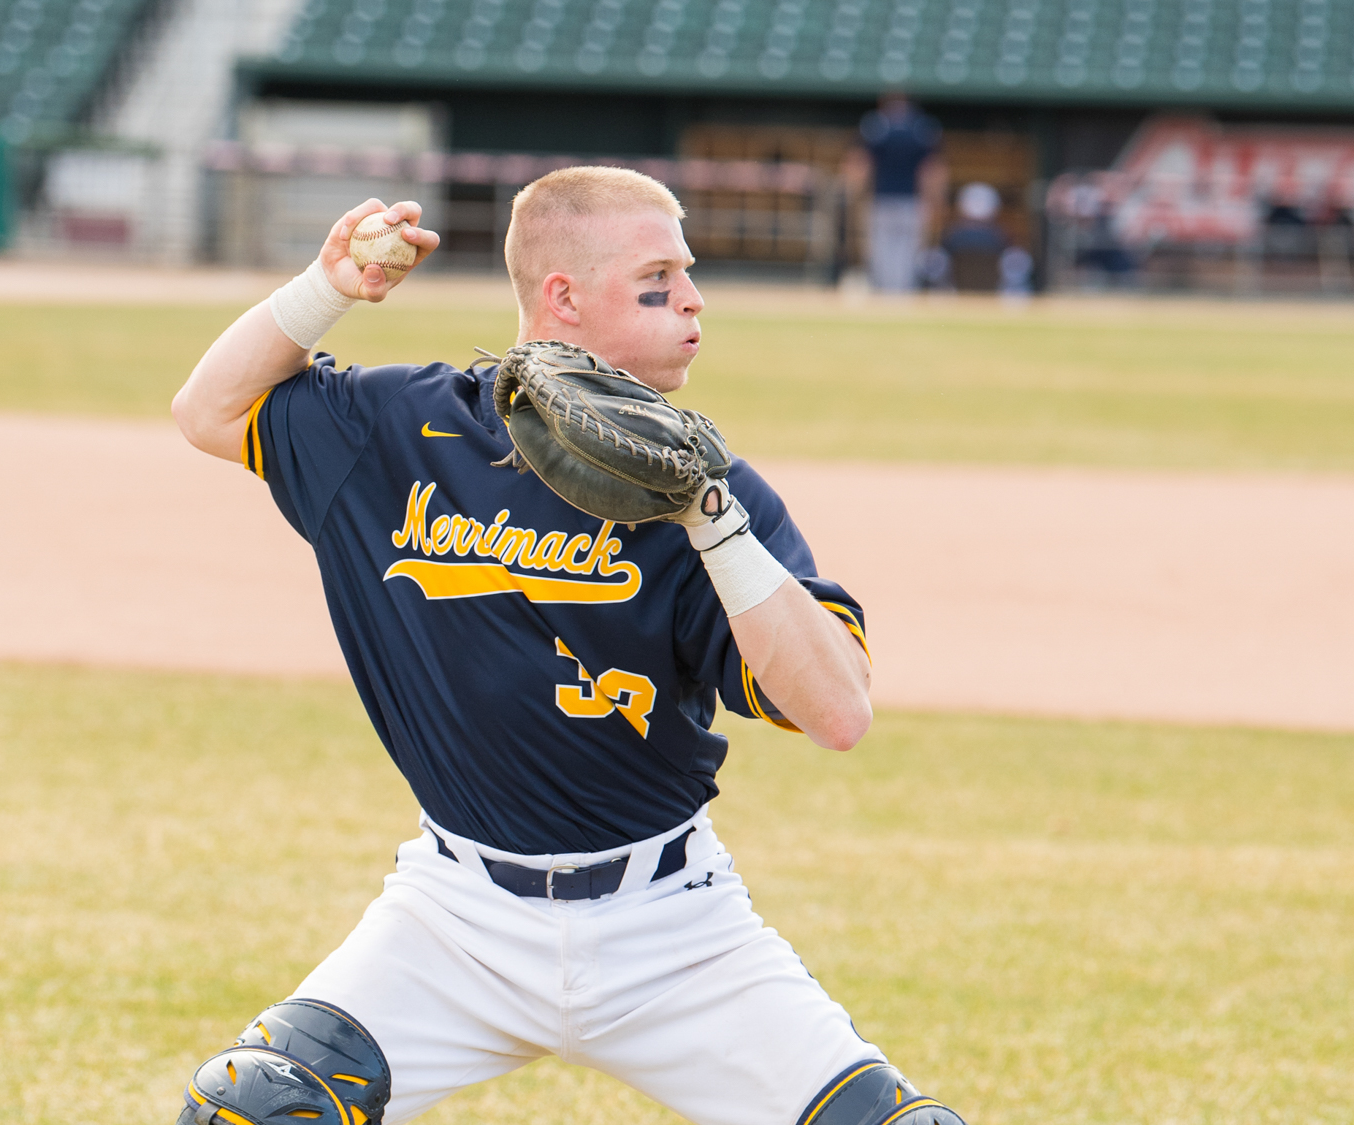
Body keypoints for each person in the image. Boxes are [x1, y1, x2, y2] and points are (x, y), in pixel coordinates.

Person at [168, 168, 966, 1125]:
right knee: (252, 1108)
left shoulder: (710, 494)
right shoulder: (395, 435)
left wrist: (710, 518)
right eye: (659, 280)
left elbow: (837, 712)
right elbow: (206, 410)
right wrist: (327, 290)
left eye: (687, 275)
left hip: (674, 928)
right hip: (454, 921)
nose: (695, 300)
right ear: (565, 300)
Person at [845, 92, 947, 293]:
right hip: (905, 201)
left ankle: (887, 296)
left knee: (884, 252)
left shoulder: (876, 126)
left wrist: (855, 194)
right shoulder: (920, 127)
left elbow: (861, 165)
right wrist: (934, 199)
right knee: (904, 253)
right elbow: (931, 170)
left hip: (886, 200)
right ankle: (900, 296)